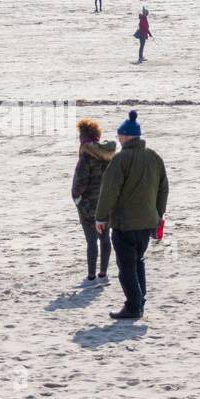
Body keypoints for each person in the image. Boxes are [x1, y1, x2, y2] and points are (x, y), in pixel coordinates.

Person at [95, 111, 169, 319]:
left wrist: (101, 217)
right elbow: (164, 188)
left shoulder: (121, 160)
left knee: (126, 266)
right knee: (138, 261)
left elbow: (109, 190)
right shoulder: (154, 157)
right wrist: (158, 213)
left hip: (125, 223)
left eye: (120, 135)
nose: (118, 138)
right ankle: (140, 300)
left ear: (126, 136)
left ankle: (133, 306)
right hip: (147, 222)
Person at [71, 119, 116, 287]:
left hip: (88, 205)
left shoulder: (85, 158)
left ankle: (91, 278)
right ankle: (103, 275)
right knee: (105, 237)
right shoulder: (109, 155)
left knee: (91, 240)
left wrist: (77, 198)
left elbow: (79, 184)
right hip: (106, 203)